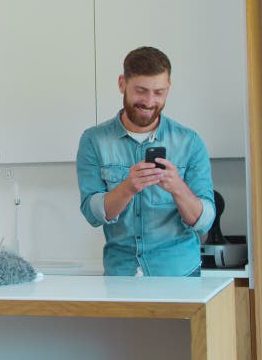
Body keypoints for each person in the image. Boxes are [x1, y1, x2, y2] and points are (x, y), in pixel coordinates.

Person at [76, 46, 215, 277]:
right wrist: (128, 187)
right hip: (121, 275)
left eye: (159, 92)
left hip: (179, 274)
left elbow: (204, 222)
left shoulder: (189, 141)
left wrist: (177, 187)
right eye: (141, 90)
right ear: (122, 84)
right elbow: (92, 214)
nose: (150, 101)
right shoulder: (94, 141)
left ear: (168, 88)